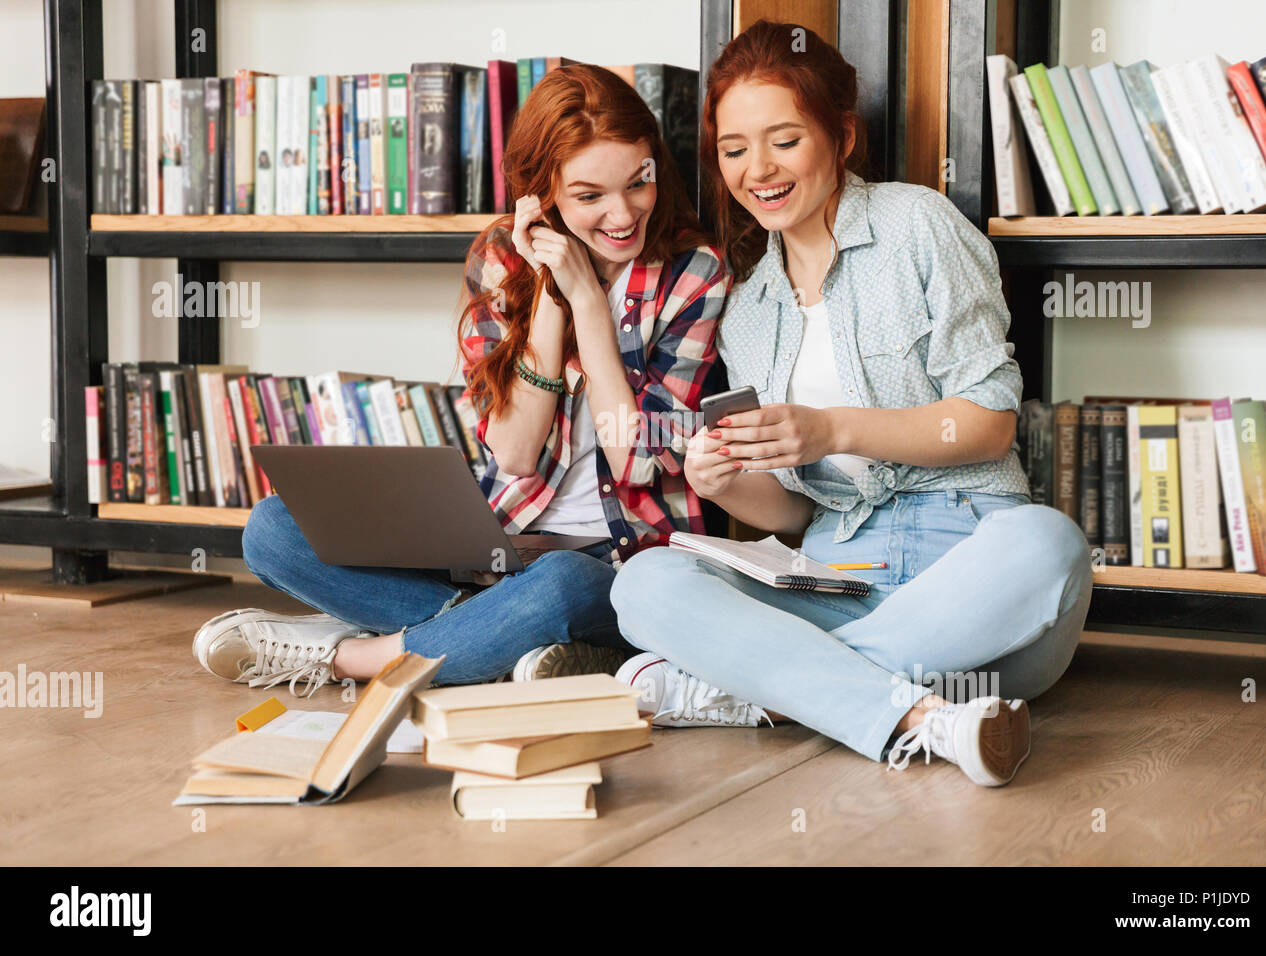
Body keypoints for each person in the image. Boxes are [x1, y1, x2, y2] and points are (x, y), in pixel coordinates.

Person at [610, 21, 1092, 787]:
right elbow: (794, 515)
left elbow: (989, 423)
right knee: (643, 584)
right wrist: (724, 479)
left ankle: (769, 692)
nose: (757, 170)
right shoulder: (749, 306)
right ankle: (922, 716)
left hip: (972, 579)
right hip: (839, 576)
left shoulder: (918, 226)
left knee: (1051, 545)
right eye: (734, 151)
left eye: (784, 141)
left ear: (840, 135)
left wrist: (833, 427)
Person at [192, 64, 730, 697]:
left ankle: (351, 658)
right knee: (275, 528)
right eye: (589, 197)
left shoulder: (694, 273)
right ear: (543, 194)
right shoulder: (503, 258)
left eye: (638, 182)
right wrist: (552, 302)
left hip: (617, 564)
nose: (622, 214)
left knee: (558, 584)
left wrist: (588, 300)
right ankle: (509, 643)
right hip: (496, 550)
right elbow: (515, 454)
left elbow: (636, 460)